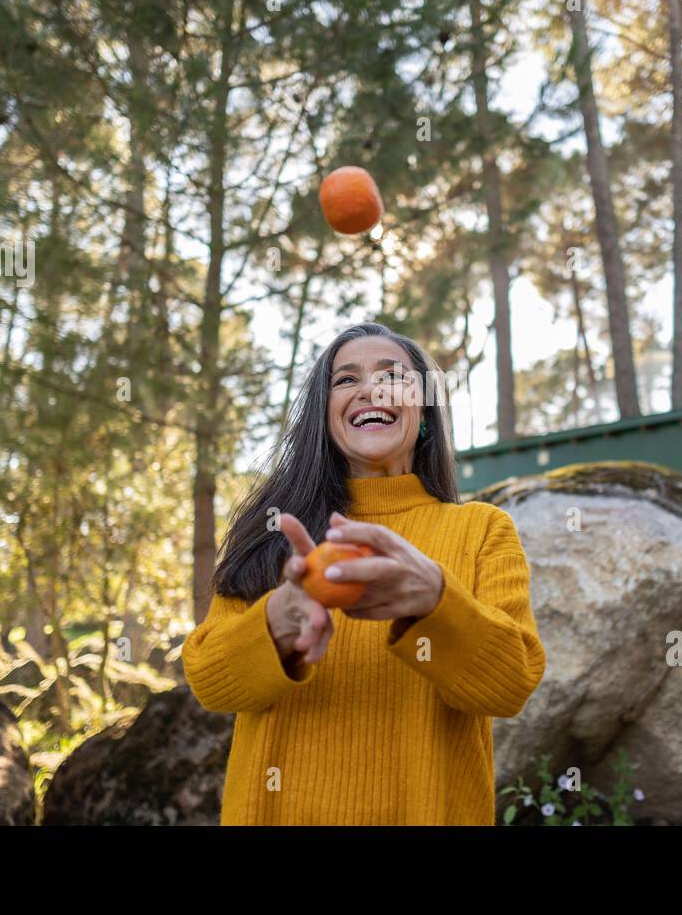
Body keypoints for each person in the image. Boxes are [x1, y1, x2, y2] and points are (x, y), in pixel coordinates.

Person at [182, 322, 546, 825]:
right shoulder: (275, 531)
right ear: (324, 416)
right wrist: (282, 618)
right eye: (345, 379)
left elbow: (509, 685)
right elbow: (211, 685)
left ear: (424, 414)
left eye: (393, 376)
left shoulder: (484, 531)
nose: (370, 388)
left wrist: (436, 601)